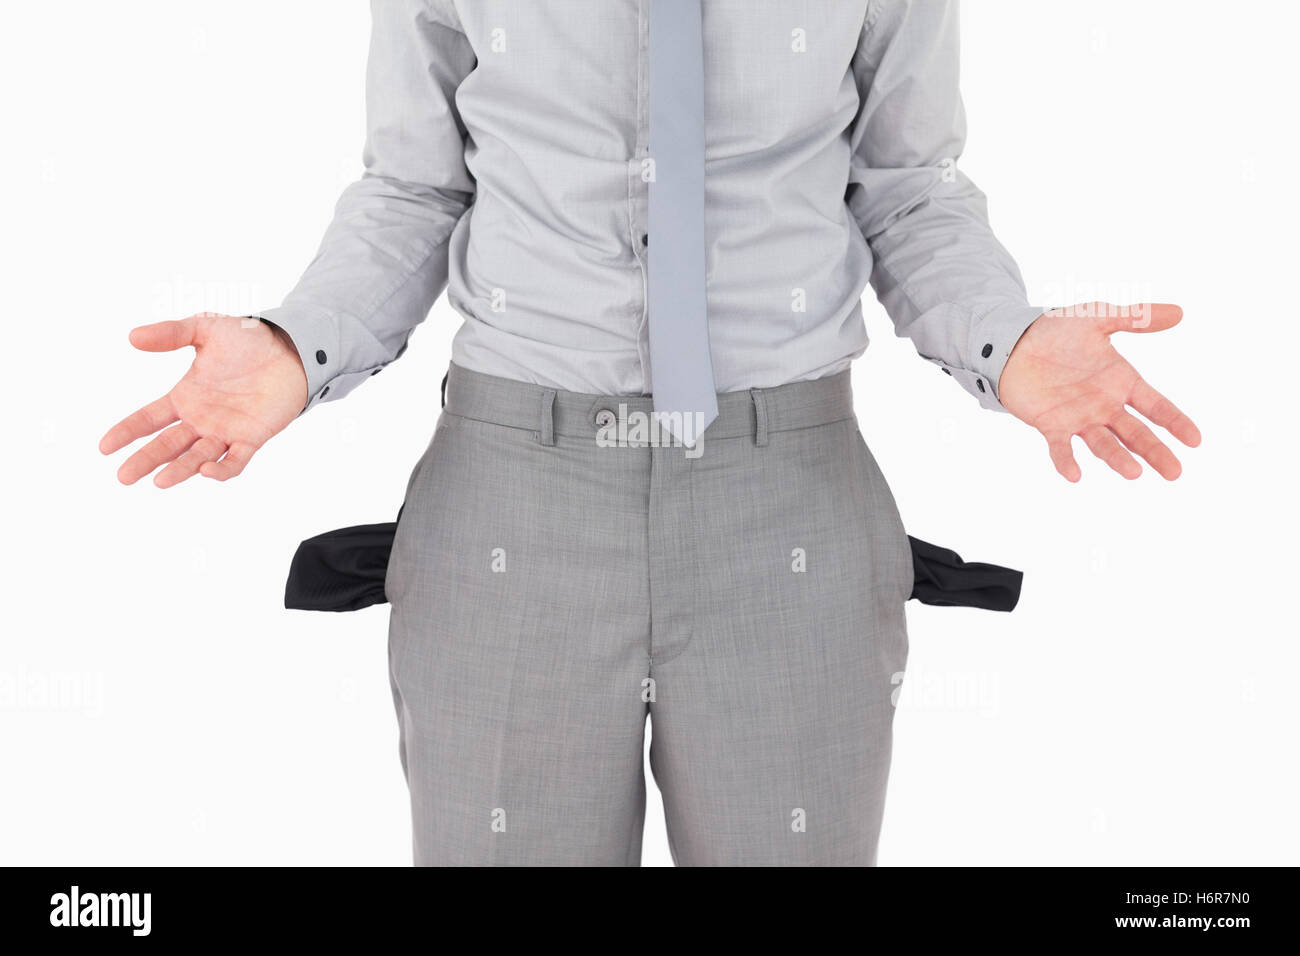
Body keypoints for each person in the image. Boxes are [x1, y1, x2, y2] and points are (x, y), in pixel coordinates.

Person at [98, 0, 1200, 866]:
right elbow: (414, 188)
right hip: (511, 495)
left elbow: (906, 187)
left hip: (789, 494)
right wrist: (300, 343)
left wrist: (1002, 337)